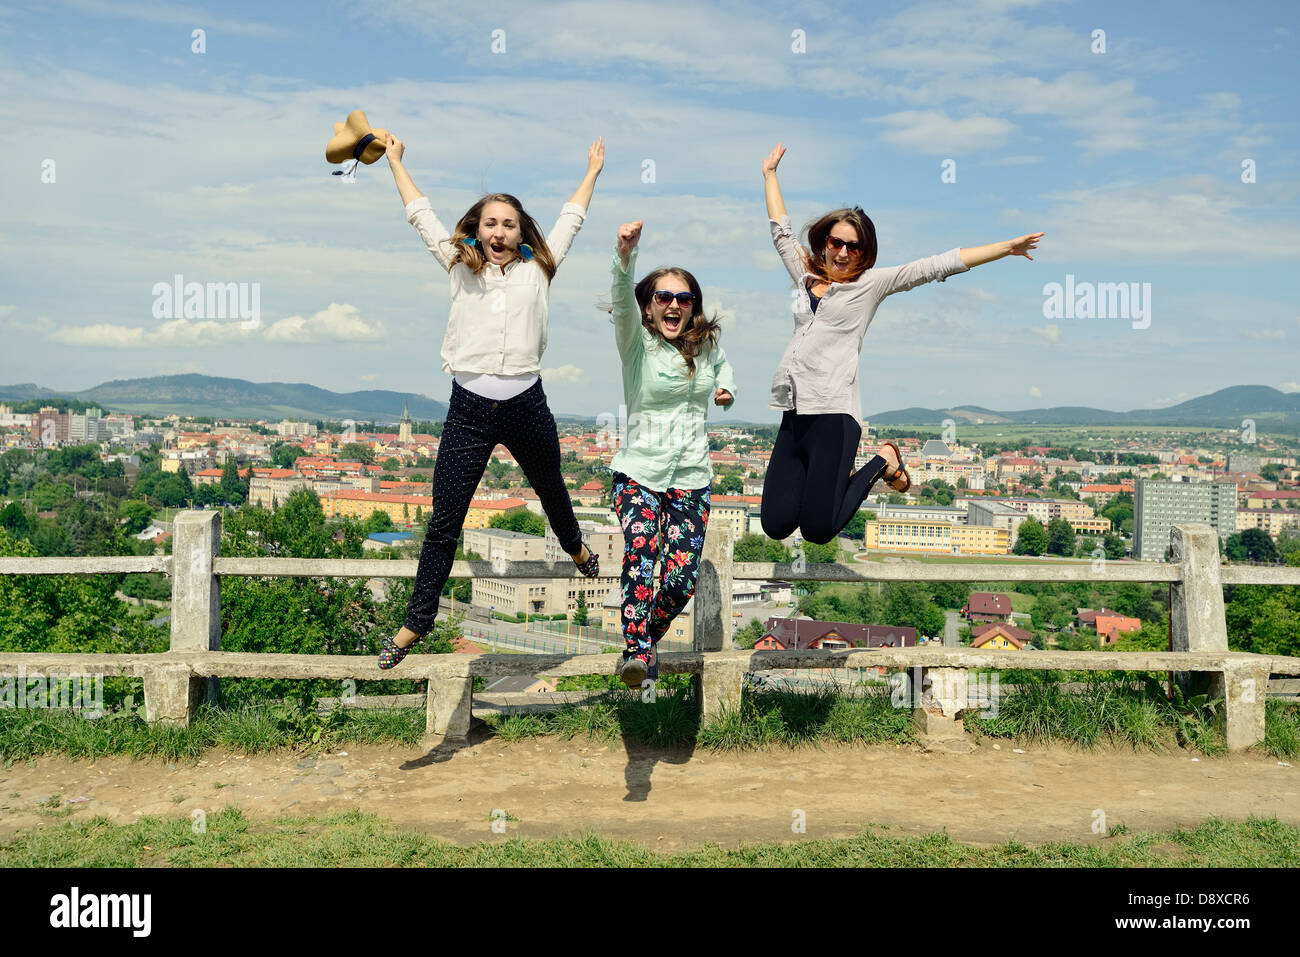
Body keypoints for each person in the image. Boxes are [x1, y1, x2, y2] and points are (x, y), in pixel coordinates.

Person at [378, 133, 606, 669]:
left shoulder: (539, 271)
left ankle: (576, 548)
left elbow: (572, 219)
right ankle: (417, 620)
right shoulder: (458, 267)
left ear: (522, 231)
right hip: (470, 408)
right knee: (445, 520)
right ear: (476, 231)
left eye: (509, 224)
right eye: (490, 224)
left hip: (527, 402)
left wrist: (591, 172)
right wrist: (395, 161)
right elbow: (421, 215)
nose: (499, 232)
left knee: (551, 488)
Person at [758, 142, 1044, 545]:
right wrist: (770, 175)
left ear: (863, 252)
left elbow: (936, 265)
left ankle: (883, 460)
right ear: (824, 242)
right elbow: (781, 232)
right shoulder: (803, 276)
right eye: (836, 242)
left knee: (819, 530)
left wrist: (1005, 249)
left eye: (852, 246)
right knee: (775, 523)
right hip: (794, 411)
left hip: (835, 417)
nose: (842, 251)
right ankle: (867, 467)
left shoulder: (871, 285)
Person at [607, 219, 737, 688]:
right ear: (648, 308)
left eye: (684, 299)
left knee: (681, 580)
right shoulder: (635, 345)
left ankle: (638, 647)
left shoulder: (704, 347)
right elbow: (621, 300)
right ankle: (639, 651)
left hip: (691, 477)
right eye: (663, 297)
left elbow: (723, 367)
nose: (674, 305)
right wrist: (625, 256)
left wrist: (725, 387)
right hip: (639, 472)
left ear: (693, 308)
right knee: (641, 550)